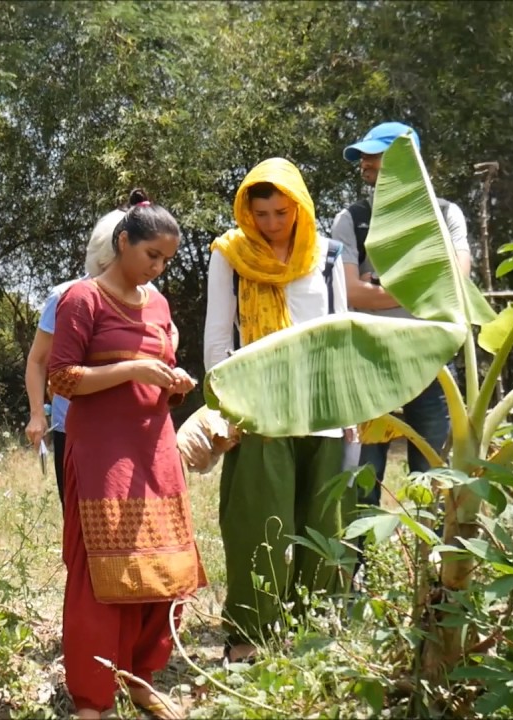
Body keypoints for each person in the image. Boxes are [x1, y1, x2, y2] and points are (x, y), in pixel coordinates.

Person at [49, 189, 204, 720]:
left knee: (162, 570)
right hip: (102, 455)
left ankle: (141, 681)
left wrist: (175, 380)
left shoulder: (158, 304)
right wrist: (133, 369)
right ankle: (93, 699)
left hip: (154, 448)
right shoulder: (82, 299)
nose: (158, 268)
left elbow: (161, 369)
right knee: (102, 577)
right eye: (151, 255)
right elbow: (63, 378)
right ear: (122, 242)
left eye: (166, 260)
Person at [203, 158, 350, 664]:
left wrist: (350, 406)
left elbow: (341, 333)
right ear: (246, 210)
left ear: (300, 207)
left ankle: (314, 636)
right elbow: (219, 339)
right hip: (259, 408)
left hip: (323, 407)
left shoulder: (329, 255)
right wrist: (227, 409)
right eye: (260, 212)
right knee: (258, 523)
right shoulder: (230, 254)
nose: (270, 224)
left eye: (280, 212)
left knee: (322, 524)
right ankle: (249, 636)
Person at [332, 122, 470, 510]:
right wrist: (417, 287)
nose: (365, 166)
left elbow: (454, 285)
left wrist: (378, 284)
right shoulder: (352, 220)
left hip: (432, 362)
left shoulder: (446, 215)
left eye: (375, 157)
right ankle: (356, 565)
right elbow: (350, 291)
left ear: (407, 163)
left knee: (434, 474)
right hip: (368, 359)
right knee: (363, 473)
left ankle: (434, 566)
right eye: (363, 160)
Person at [24, 207, 127, 507]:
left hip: (125, 428)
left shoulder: (146, 295)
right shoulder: (65, 296)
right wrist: (36, 415)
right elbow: (37, 360)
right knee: (79, 520)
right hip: (73, 430)